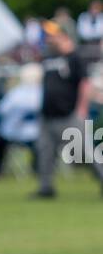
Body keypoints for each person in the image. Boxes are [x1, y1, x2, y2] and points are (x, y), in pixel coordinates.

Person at [34, 23, 93, 198]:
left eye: (54, 35)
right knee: (45, 152)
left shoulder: (76, 58)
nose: (50, 39)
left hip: (69, 115)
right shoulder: (49, 57)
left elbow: (85, 84)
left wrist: (82, 109)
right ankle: (46, 188)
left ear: (65, 36)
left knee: (84, 152)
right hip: (48, 115)